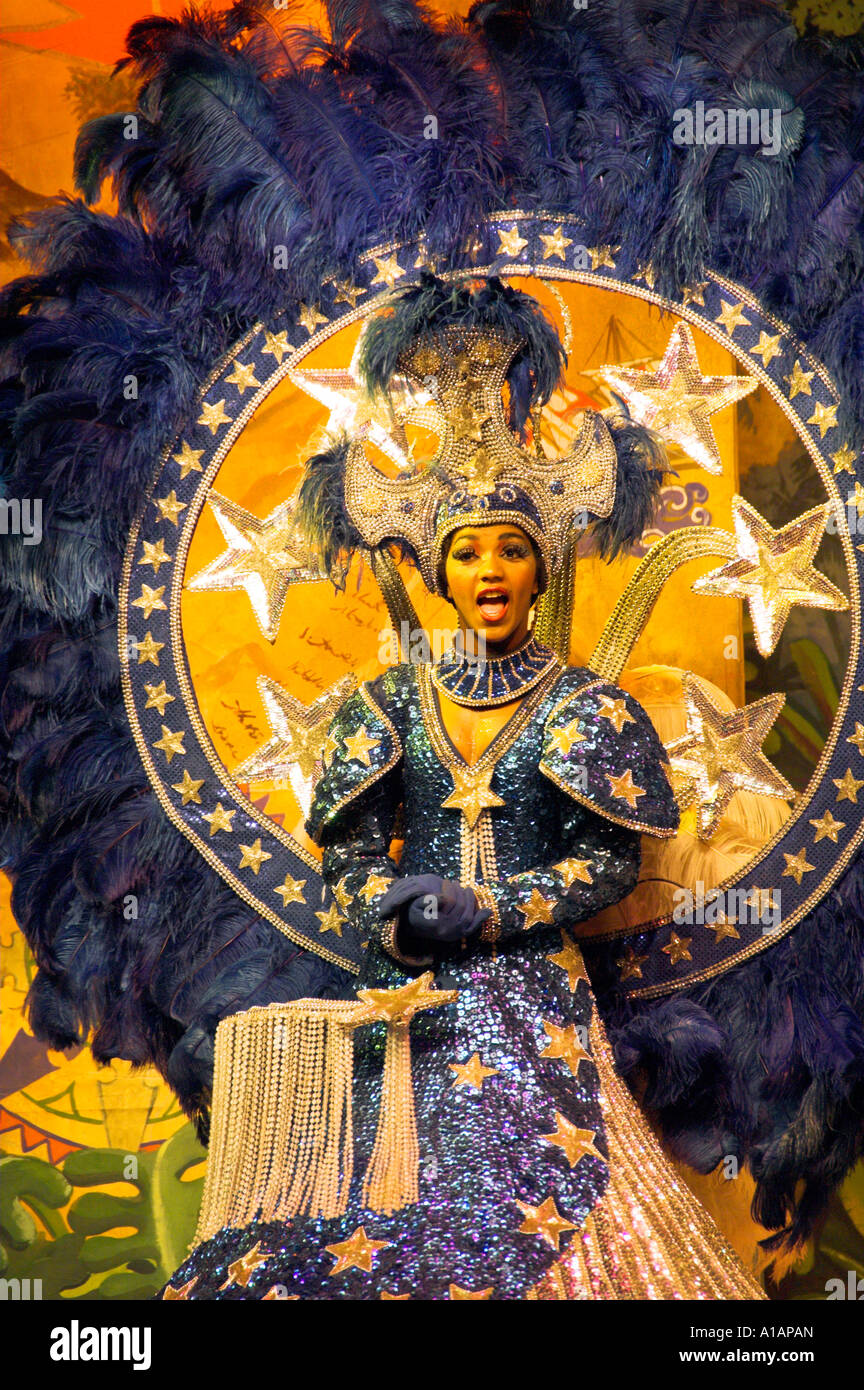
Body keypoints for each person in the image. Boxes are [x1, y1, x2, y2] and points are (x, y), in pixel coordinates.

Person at [164, 277, 765, 1300]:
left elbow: (612, 859)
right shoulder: (389, 707)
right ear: (443, 573)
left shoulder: (587, 708)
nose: (490, 571)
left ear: (538, 569)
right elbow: (347, 857)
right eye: (470, 553)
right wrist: (390, 919)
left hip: (540, 1008)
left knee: (562, 1212)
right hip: (409, 1012)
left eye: (511, 551)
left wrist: (493, 907)